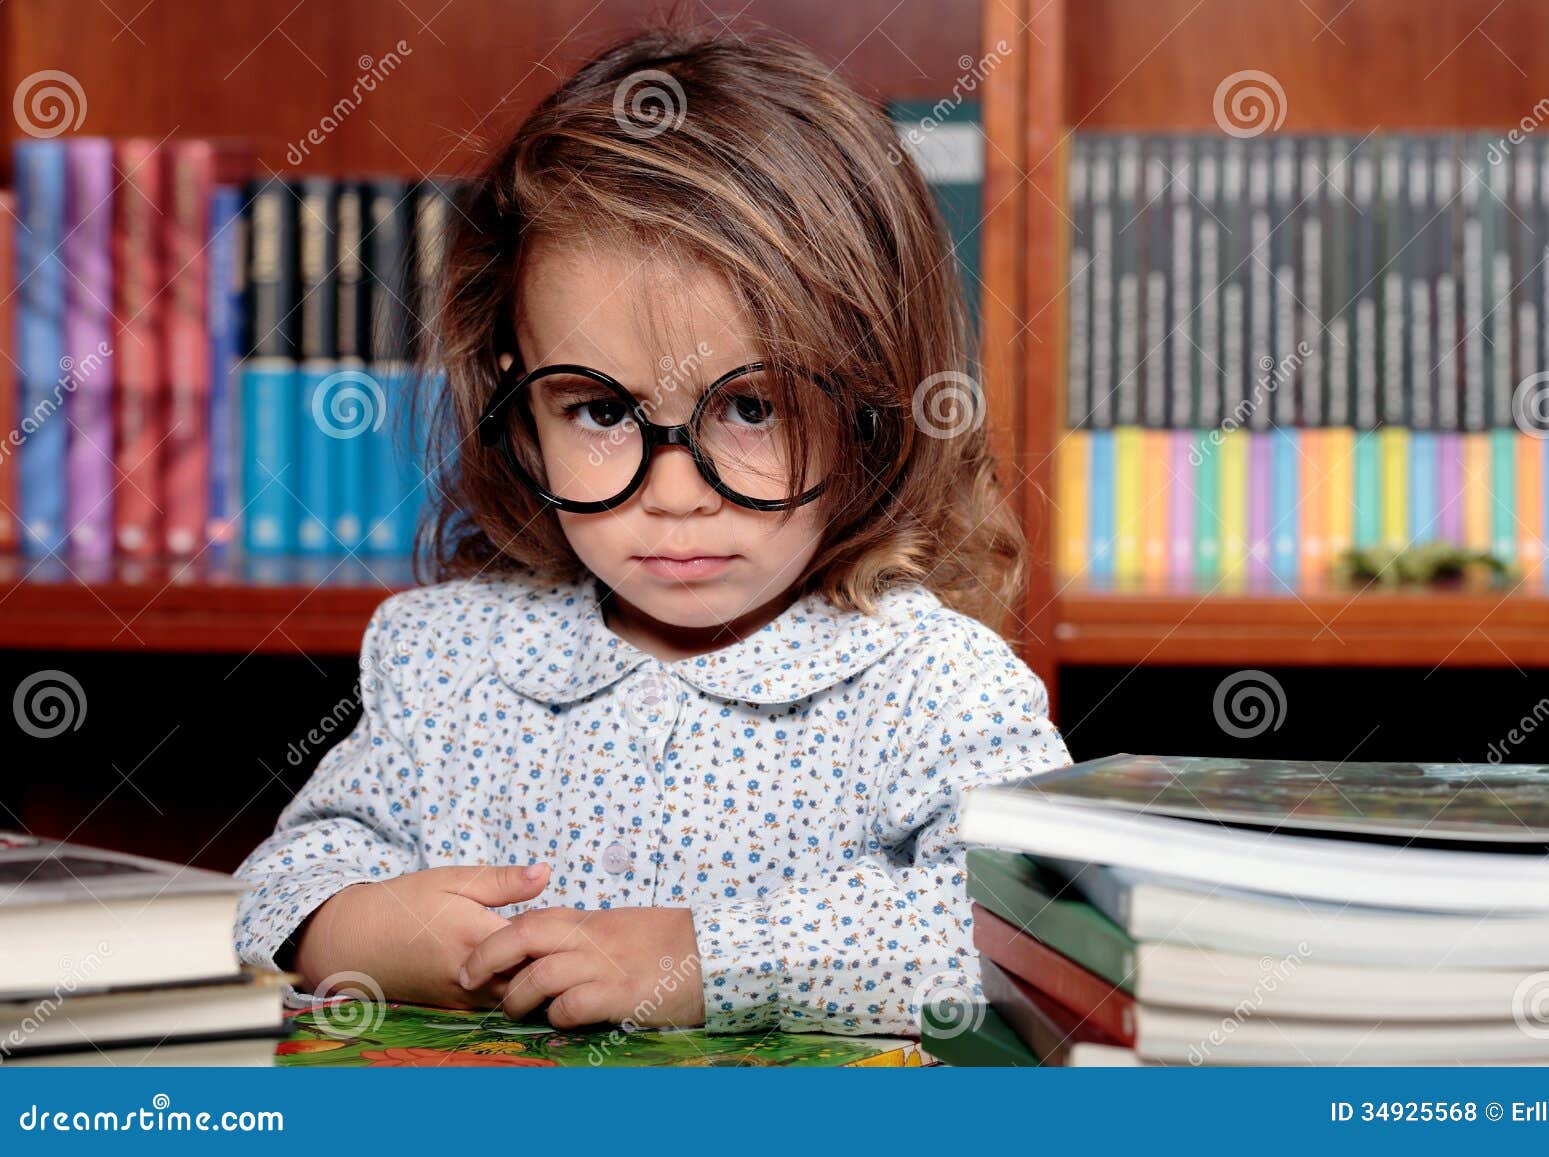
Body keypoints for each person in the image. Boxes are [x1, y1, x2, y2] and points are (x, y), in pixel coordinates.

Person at [232, 22, 1071, 1037]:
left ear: (873, 404)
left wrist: (713, 959)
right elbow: (286, 873)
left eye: (752, 407)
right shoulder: (447, 659)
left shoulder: (928, 684)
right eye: (598, 410)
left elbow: (1036, 936)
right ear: (518, 407)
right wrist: (355, 926)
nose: (673, 490)